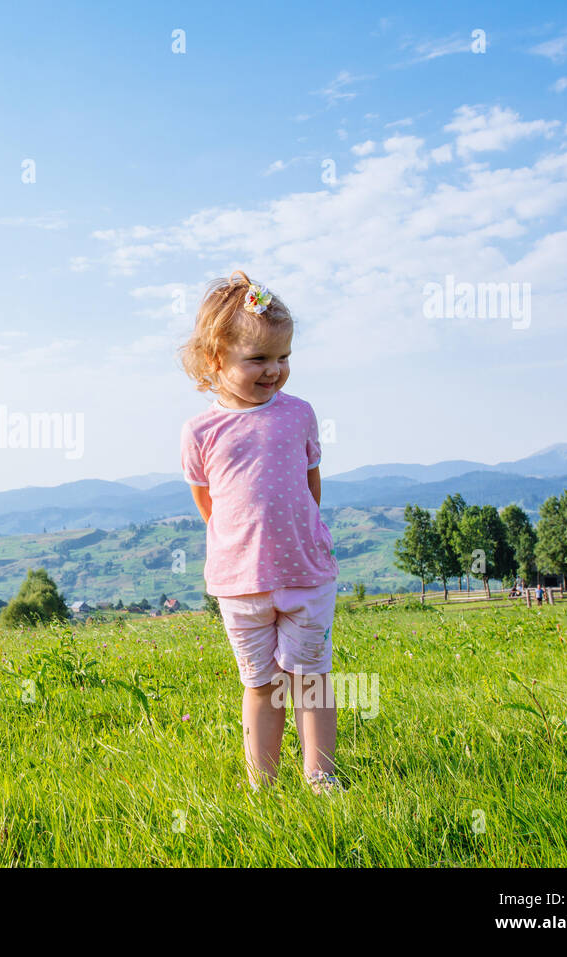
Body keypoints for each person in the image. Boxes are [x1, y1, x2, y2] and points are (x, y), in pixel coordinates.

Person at [179, 271, 341, 796]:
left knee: (310, 678)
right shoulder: (201, 431)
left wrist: (296, 537)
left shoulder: (299, 415)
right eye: (258, 359)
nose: (275, 371)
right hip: (240, 582)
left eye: (283, 357)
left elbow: (310, 486)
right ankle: (263, 785)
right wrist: (243, 545)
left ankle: (321, 777)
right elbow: (208, 503)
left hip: (304, 573)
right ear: (215, 360)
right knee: (260, 682)